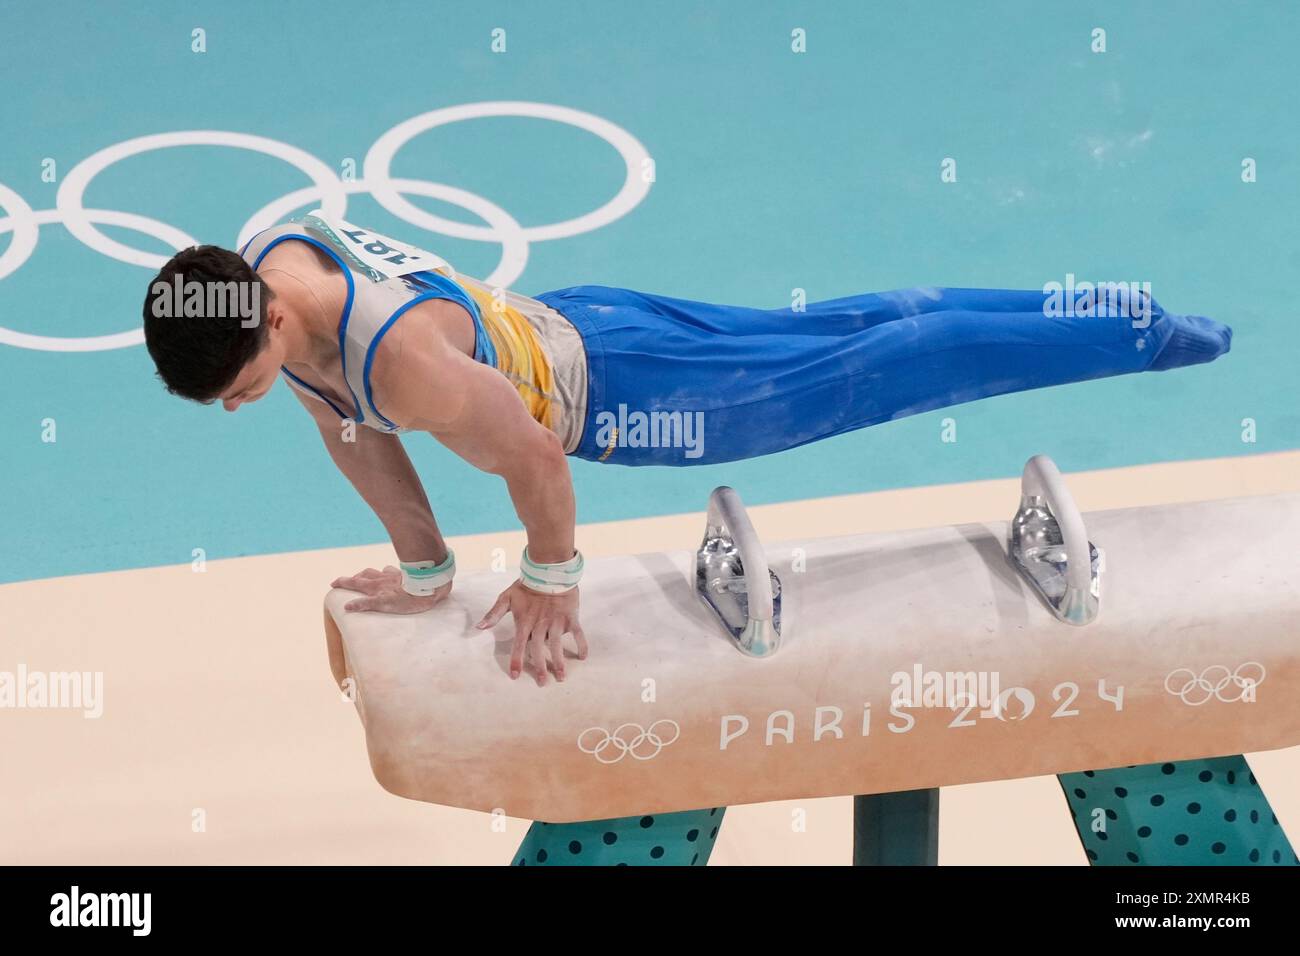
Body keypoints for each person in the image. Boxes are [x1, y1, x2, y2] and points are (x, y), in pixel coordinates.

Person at [142, 214, 1266, 868]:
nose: (247, 401)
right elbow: (351, 433)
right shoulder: (262, 261)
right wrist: (428, 569)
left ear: (273, 321)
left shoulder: (395, 356)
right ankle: (1110, 307)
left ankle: (1130, 329)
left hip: (635, 392)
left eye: (245, 383)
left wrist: (549, 575)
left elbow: (532, 455)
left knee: (894, 362)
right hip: (584, 316)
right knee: (860, 324)